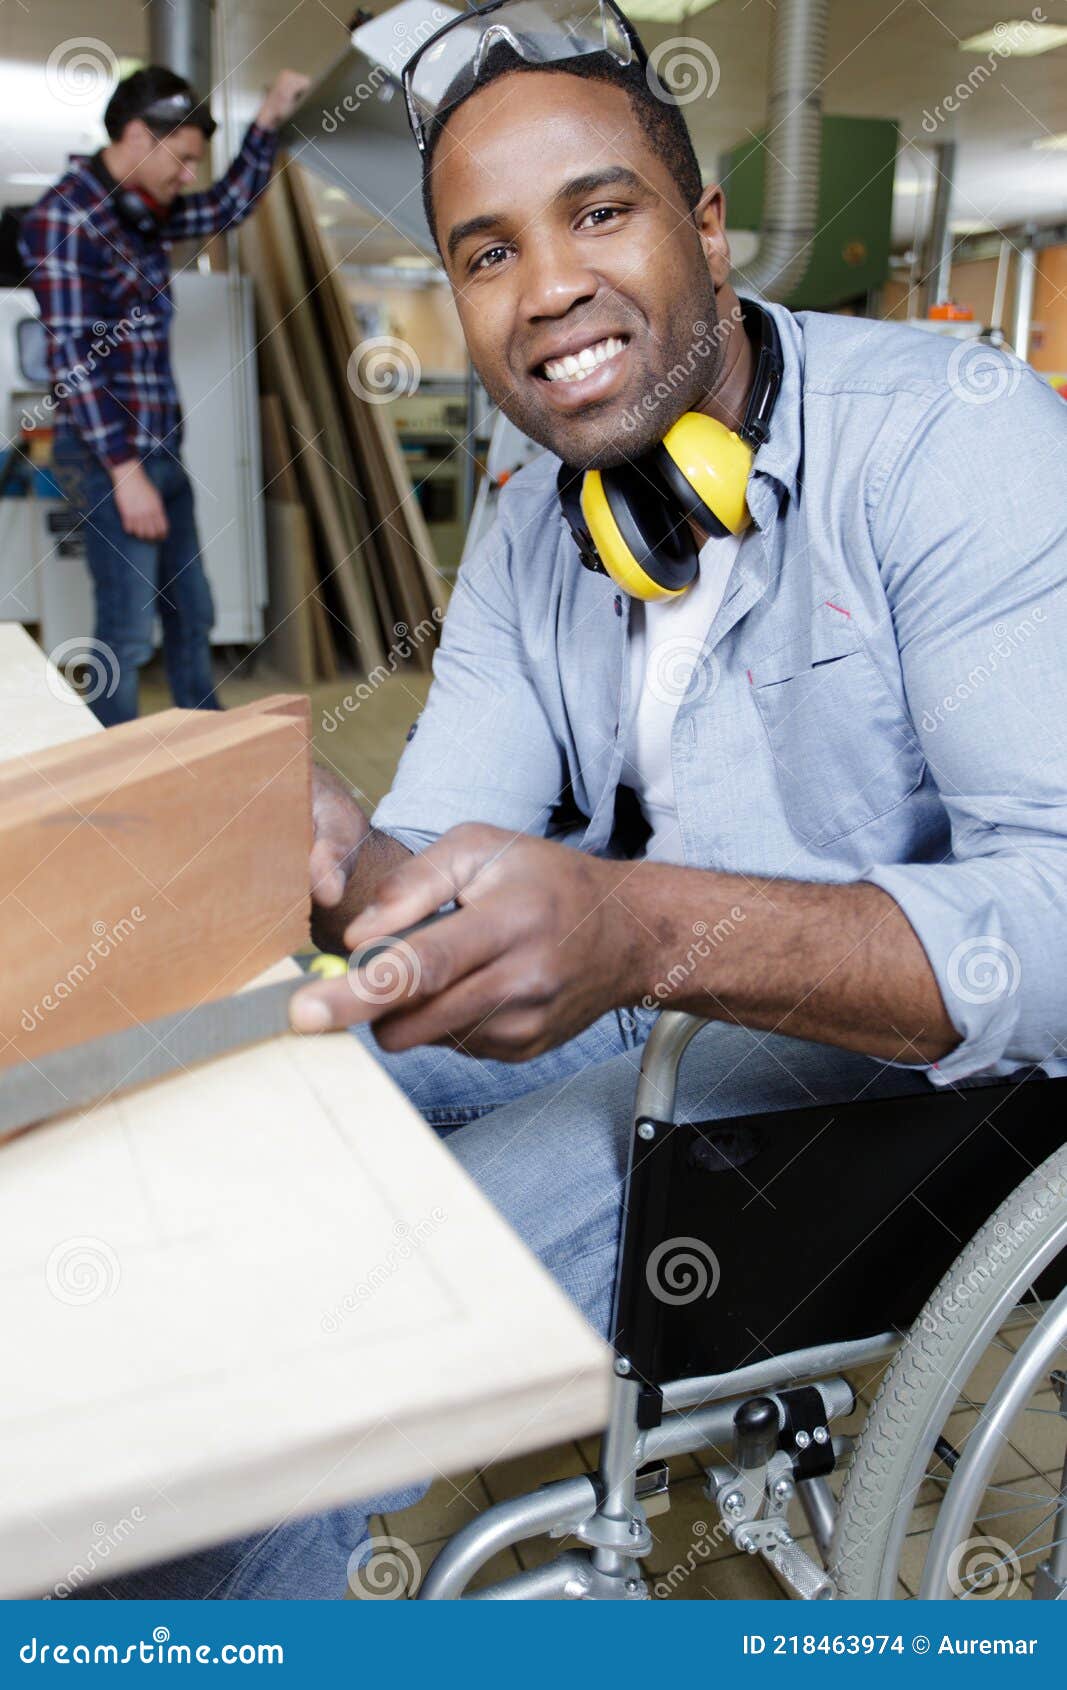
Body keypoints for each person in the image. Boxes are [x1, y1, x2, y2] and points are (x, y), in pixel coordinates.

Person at [76, 0, 1067, 1597]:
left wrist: (635, 921)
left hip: (900, 1081)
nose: (546, 293)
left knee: (335, 1313)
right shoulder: (542, 513)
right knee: (223, 1124)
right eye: (483, 253)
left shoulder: (953, 450)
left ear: (706, 220)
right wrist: (343, 866)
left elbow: (1059, 926)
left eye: (596, 212)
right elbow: (443, 860)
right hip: (648, 998)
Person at [19, 63, 309, 725]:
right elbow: (72, 360)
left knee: (193, 609)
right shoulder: (63, 218)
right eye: (180, 159)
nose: (186, 176)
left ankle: (205, 733)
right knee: (126, 630)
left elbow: (229, 205)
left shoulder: (145, 216)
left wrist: (265, 121)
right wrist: (124, 473)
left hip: (161, 447)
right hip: (109, 458)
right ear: (135, 136)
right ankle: (113, 774)